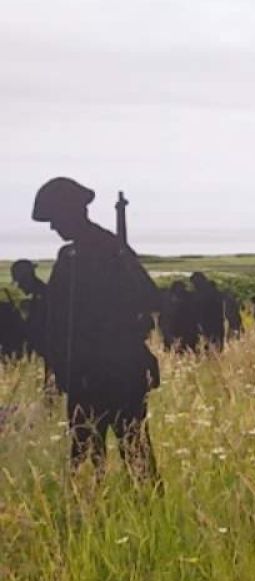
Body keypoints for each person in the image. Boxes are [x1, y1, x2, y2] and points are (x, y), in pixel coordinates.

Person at [32, 177, 160, 486]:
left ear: (73, 212)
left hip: (108, 372)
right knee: (95, 458)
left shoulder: (103, 252)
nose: (53, 227)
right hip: (93, 373)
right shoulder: (82, 255)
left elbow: (147, 298)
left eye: (55, 218)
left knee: (124, 453)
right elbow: (57, 323)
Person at [10, 260, 50, 385]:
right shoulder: (40, 295)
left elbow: (38, 328)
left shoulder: (43, 297)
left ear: (27, 278)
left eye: (20, 283)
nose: (20, 287)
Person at [190, 272, 226, 351]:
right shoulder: (215, 292)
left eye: (195, 283)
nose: (194, 286)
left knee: (212, 348)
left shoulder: (205, 294)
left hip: (211, 324)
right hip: (213, 324)